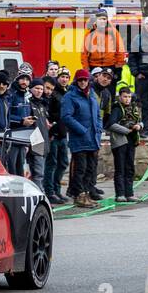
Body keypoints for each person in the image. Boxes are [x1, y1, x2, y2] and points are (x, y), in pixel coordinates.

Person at [61, 69, 102, 208]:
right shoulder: (70, 96)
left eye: (85, 80)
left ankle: (87, 193)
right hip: (80, 139)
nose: (83, 82)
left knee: (90, 169)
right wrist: (81, 130)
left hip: (93, 139)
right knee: (80, 169)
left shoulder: (91, 96)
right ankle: (79, 195)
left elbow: (98, 115)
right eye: (80, 80)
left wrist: (98, 129)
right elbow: (66, 116)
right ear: (76, 81)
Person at [107, 86, 143, 202]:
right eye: (125, 97)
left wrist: (139, 126)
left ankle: (129, 193)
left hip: (131, 141)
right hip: (120, 142)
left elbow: (140, 121)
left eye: (129, 97)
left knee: (130, 168)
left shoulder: (134, 109)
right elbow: (111, 124)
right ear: (120, 97)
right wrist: (127, 130)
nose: (127, 99)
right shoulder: (117, 109)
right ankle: (120, 194)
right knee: (120, 168)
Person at [42, 73, 70, 203]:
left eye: (50, 89)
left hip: (62, 133)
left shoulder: (65, 93)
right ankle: (50, 192)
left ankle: (56, 190)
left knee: (63, 162)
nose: (48, 91)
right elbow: (50, 117)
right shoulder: (47, 98)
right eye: (46, 88)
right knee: (51, 164)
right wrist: (51, 132)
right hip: (52, 136)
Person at [81, 8, 126, 83]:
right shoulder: (89, 33)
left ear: (107, 20)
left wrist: (118, 68)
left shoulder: (114, 33)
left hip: (110, 66)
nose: (102, 21)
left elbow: (120, 51)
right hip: (94, 66)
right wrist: (86, 68)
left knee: (109, 91)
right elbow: (84, 53)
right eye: (100, 19)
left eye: (104, 19)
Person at [5, 69, 36, 175]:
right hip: (12, 137)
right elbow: (6, 115)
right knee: (11, 168)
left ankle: (20, 190)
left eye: (27, 79)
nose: (24, 82)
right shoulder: (11, 94)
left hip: (23, 138)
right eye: (22, 78)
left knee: (21, 169)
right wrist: (21, 121)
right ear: (17, 79)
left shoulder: (27, 95)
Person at [27, 79, 50, 186]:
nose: (39, 91)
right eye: (36, 88)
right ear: (31, 89)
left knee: (42, 173)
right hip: (35, 142)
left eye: (41, 89)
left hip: (44, 140)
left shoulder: (42, 104)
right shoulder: (28, 104)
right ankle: (40, 196)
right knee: (38, 173)